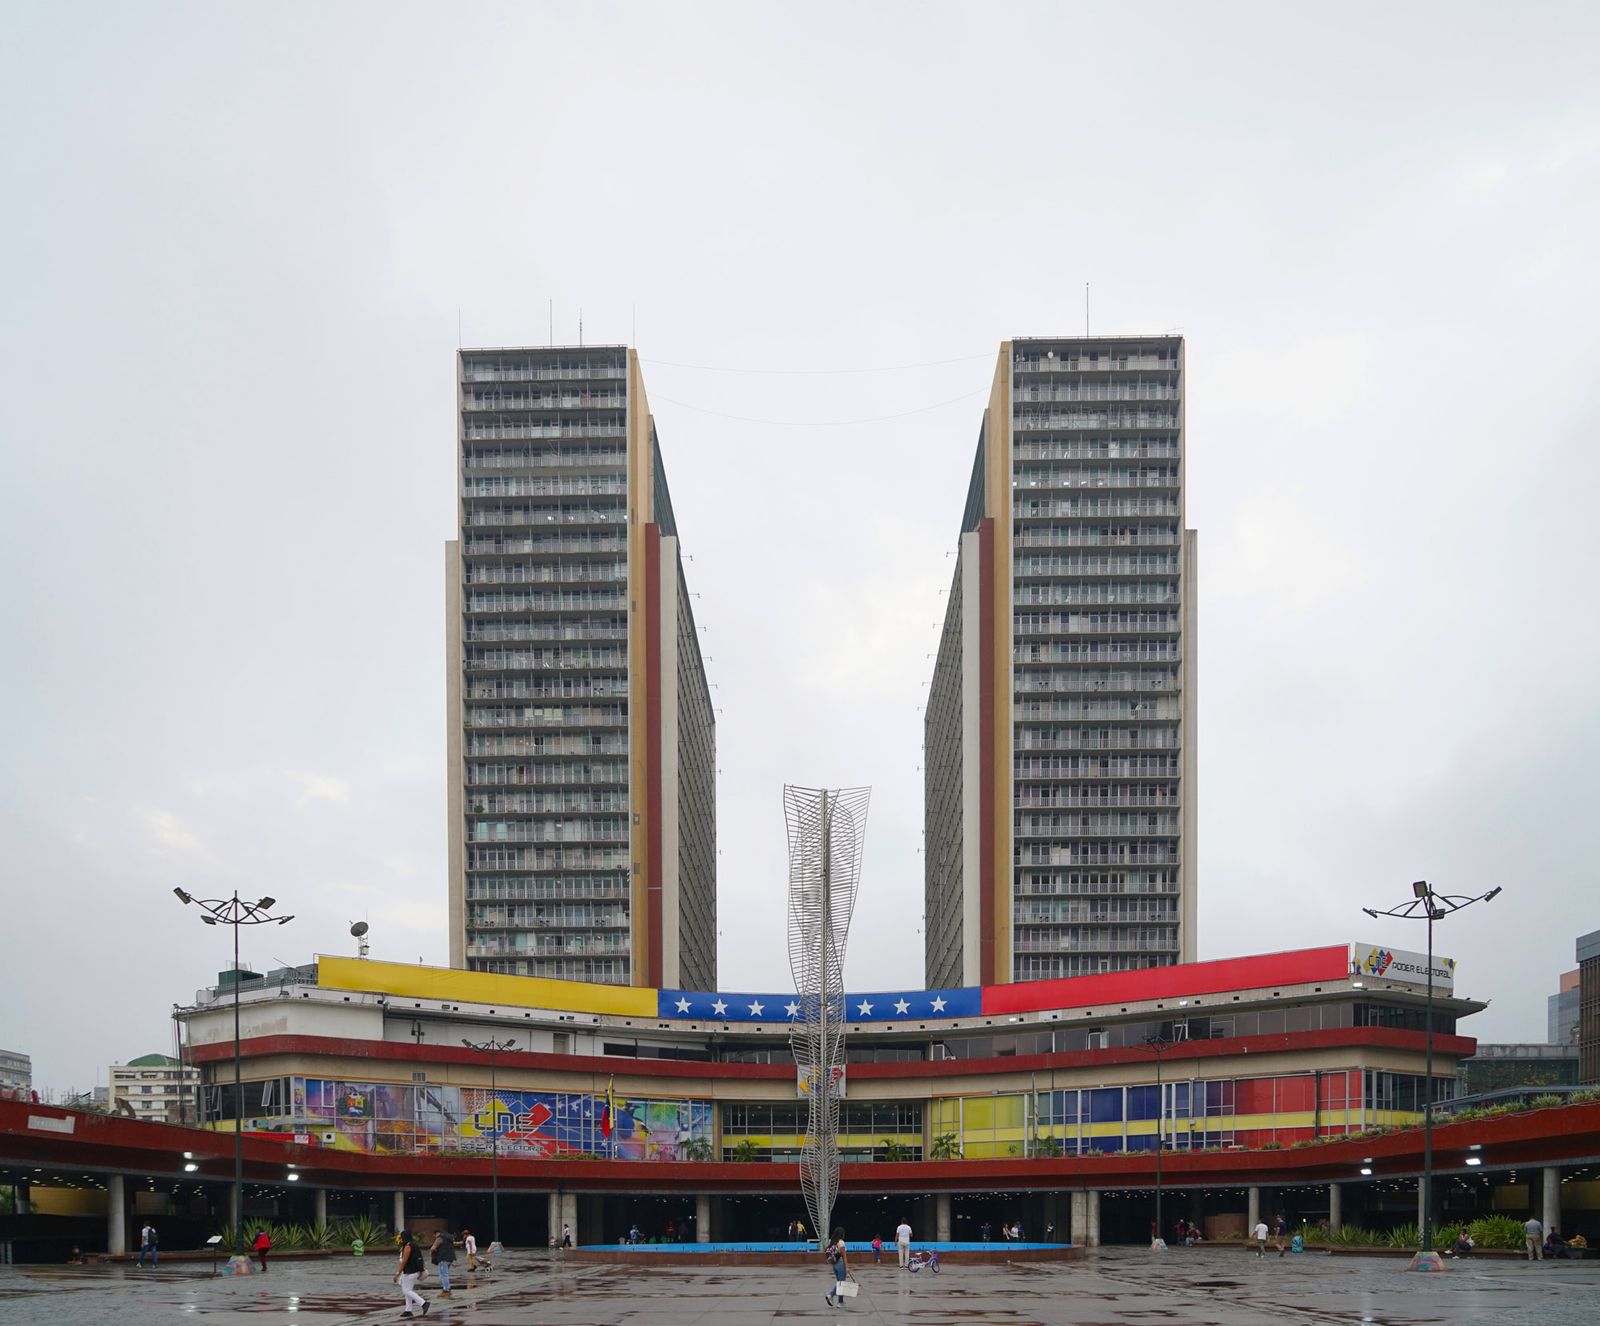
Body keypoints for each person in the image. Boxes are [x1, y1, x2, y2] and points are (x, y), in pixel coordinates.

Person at [393, 1229, 428, 1317]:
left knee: (406, 1290)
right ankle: (408, 1310)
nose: (400, 1240)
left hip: (410, 1271)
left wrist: (397, 1273)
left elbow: (404, 1261)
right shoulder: (414, 1244)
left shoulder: (408, 1246)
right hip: (415, 1270)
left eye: (401, 1238)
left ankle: (423, 1303)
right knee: (408, 1290)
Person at [823, 1227, 853, 1309]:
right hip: (840, 1263)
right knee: (841, 1283)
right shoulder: (841, 1242)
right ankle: (831, 1295)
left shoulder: (832, 1242)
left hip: (834, 1264)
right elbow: (844, 1256)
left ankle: (841, 1301)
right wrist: (847, 1267)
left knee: (840, 1283)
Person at [430, 1228, 456, 1297]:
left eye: (434, 1235)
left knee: (443, 1275)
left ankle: (446, 1290)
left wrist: (433, 1251)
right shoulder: (449, 1238)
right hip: (450, 1258)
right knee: (445, 1274)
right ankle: (448, 1289)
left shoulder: (440, 1238)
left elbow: (433, 1248)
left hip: (443, 1258)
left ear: (436, 1233)